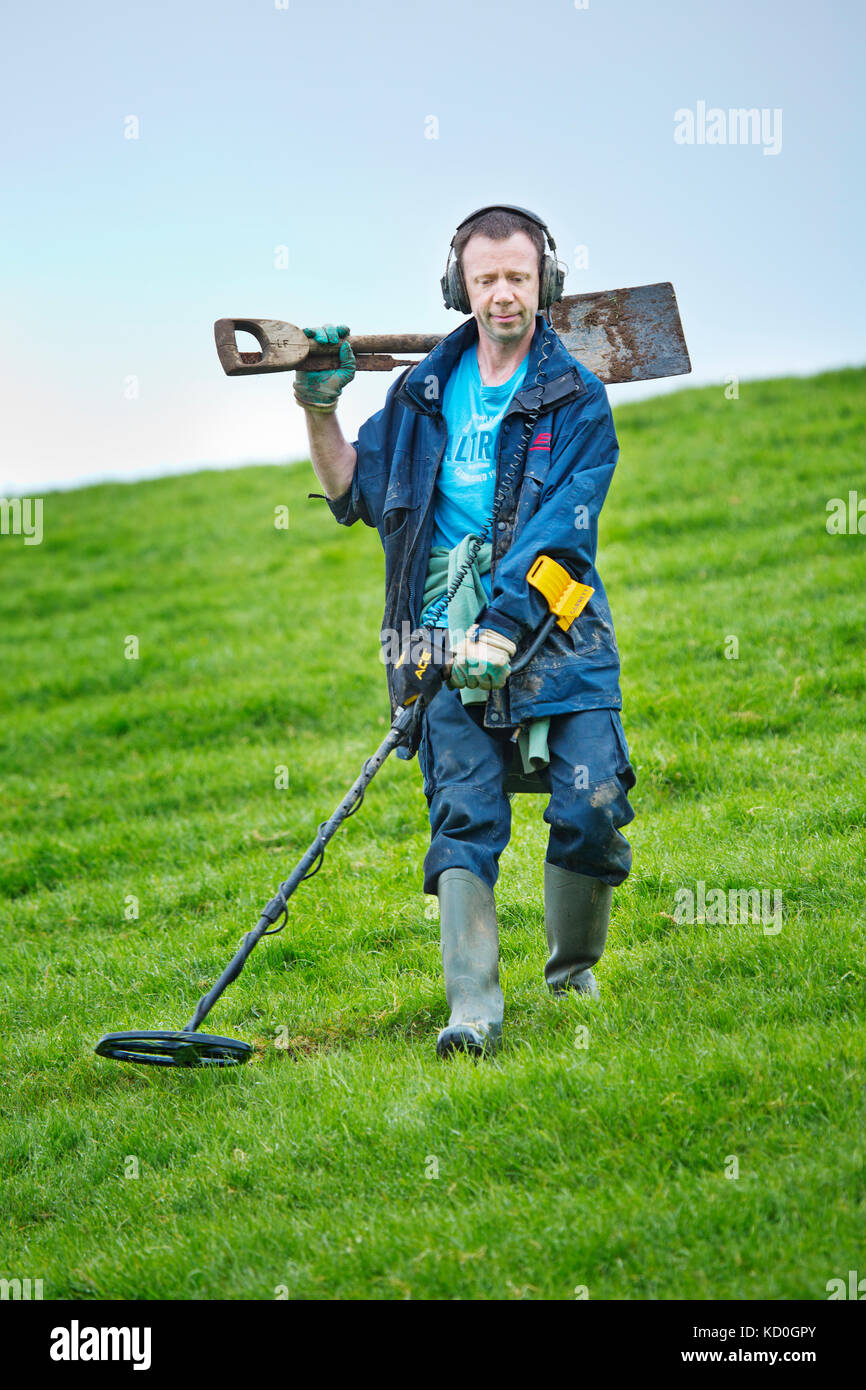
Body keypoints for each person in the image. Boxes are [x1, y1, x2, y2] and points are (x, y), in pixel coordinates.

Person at [294, 205, 636, 1059]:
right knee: (463, 815)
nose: (503, 295)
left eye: (518, 277)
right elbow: (353, 496)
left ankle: (571, 971)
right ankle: (472, 1011)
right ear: (461, 287)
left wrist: (503, 626)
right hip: (438, 641)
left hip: (557, 631)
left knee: (592, 802)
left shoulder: (576, 396)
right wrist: (318, 410)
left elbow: (567, 528)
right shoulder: (418, 395)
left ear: (545, 283)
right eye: (486, 279)